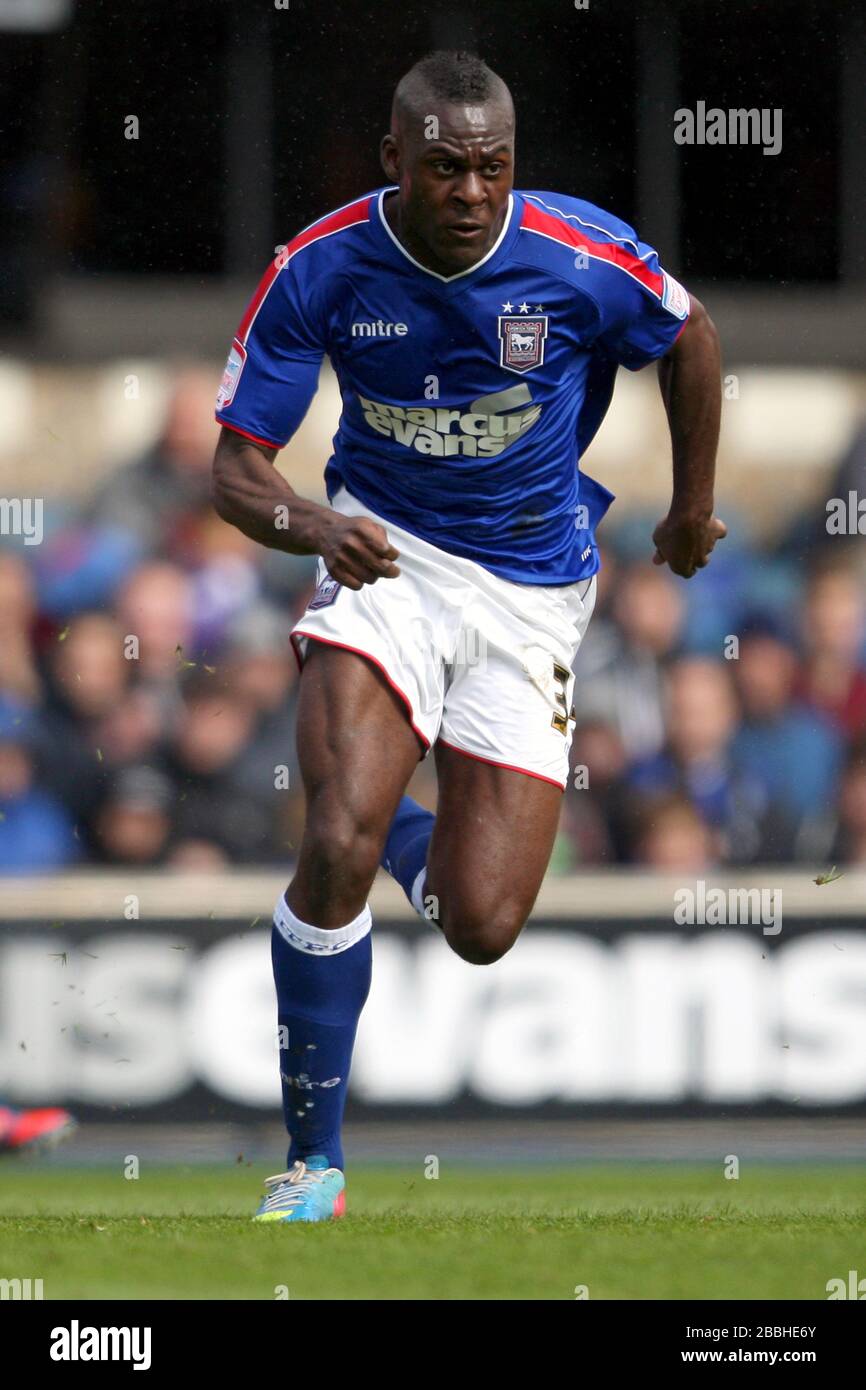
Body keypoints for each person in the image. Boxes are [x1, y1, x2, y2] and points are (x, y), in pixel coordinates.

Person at [211, 51, 725, 1222]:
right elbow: (237, 469)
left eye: (491, 168)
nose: (470, 192)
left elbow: (689, 337)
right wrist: (311, 525)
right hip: (381, 554)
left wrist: (690, 504)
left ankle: (376, 813)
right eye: (444, 168)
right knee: (333, 843)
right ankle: (315, 1164)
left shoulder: (580, 257)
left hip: (534, 587)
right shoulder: (319, 267)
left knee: (481, 924)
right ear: (394, 160)